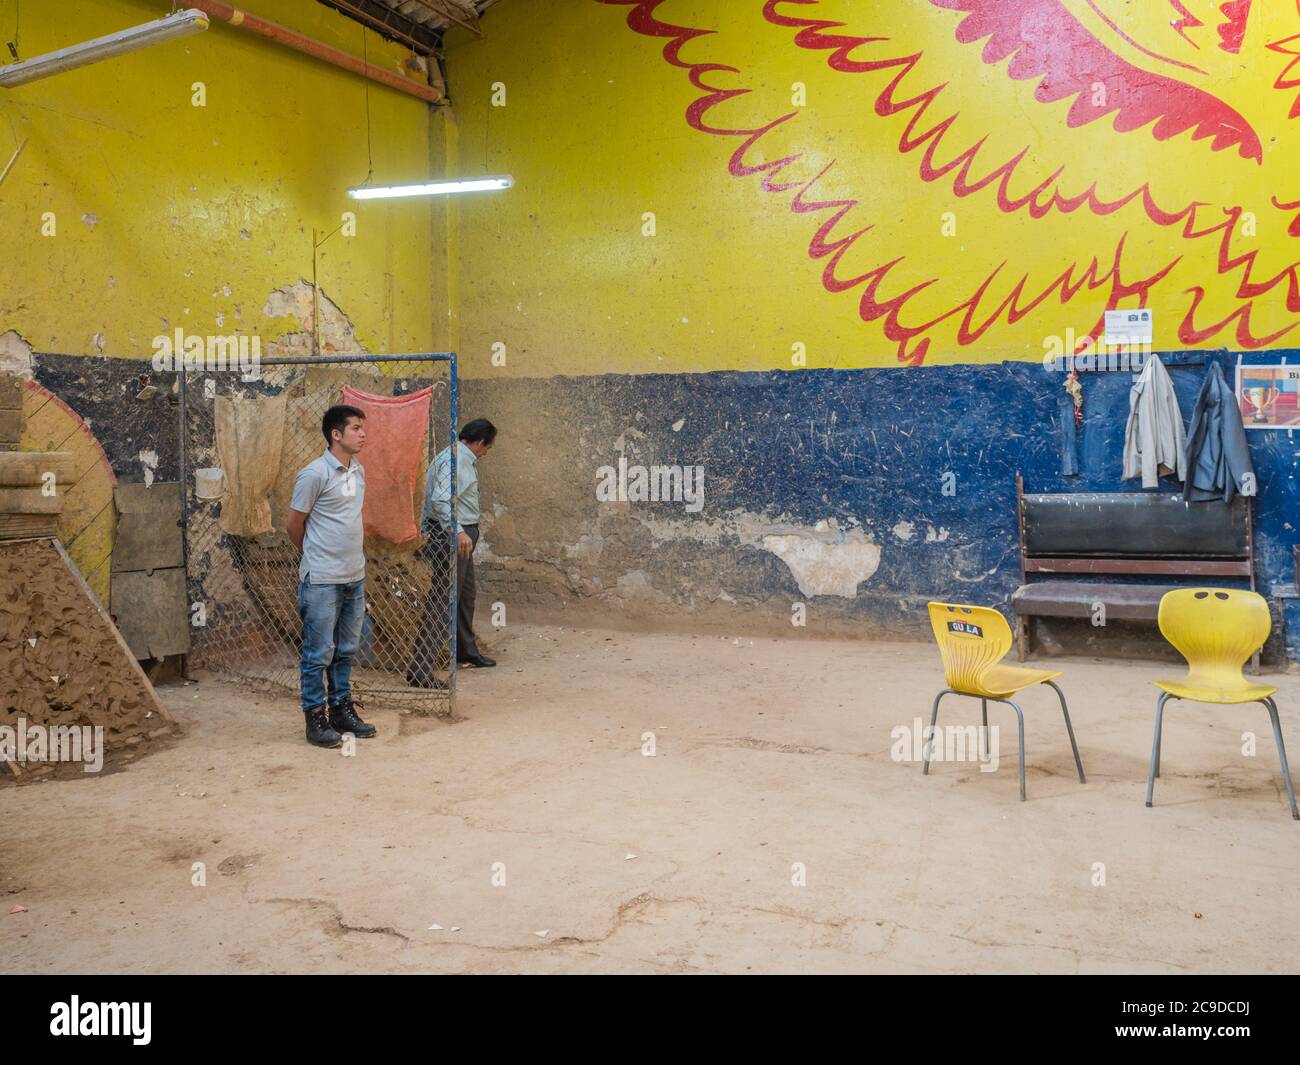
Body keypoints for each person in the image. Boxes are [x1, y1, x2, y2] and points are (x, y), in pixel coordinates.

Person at [286, 404, 378, 747]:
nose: (362, 433)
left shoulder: (359, 471)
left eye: (362, 428)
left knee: (346, 649)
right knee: (318, 652)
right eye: (355, 428)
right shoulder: (313, 474)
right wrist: (311, 555)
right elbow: (294, 523)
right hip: (322, 578)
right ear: (335, 434)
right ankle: (316, 718)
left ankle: (341, 710)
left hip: (354, 575)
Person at [407, 418, 497, 687]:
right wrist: (457, 531)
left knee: (465, 594)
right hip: (455, 535)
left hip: (461, 533)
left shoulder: (456, 456)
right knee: (443, 599)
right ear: (480, 442)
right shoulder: (456, 461)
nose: (487, 452)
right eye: (488, 447)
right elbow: (440, 500)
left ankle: (465, 650)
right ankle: (420, 670)